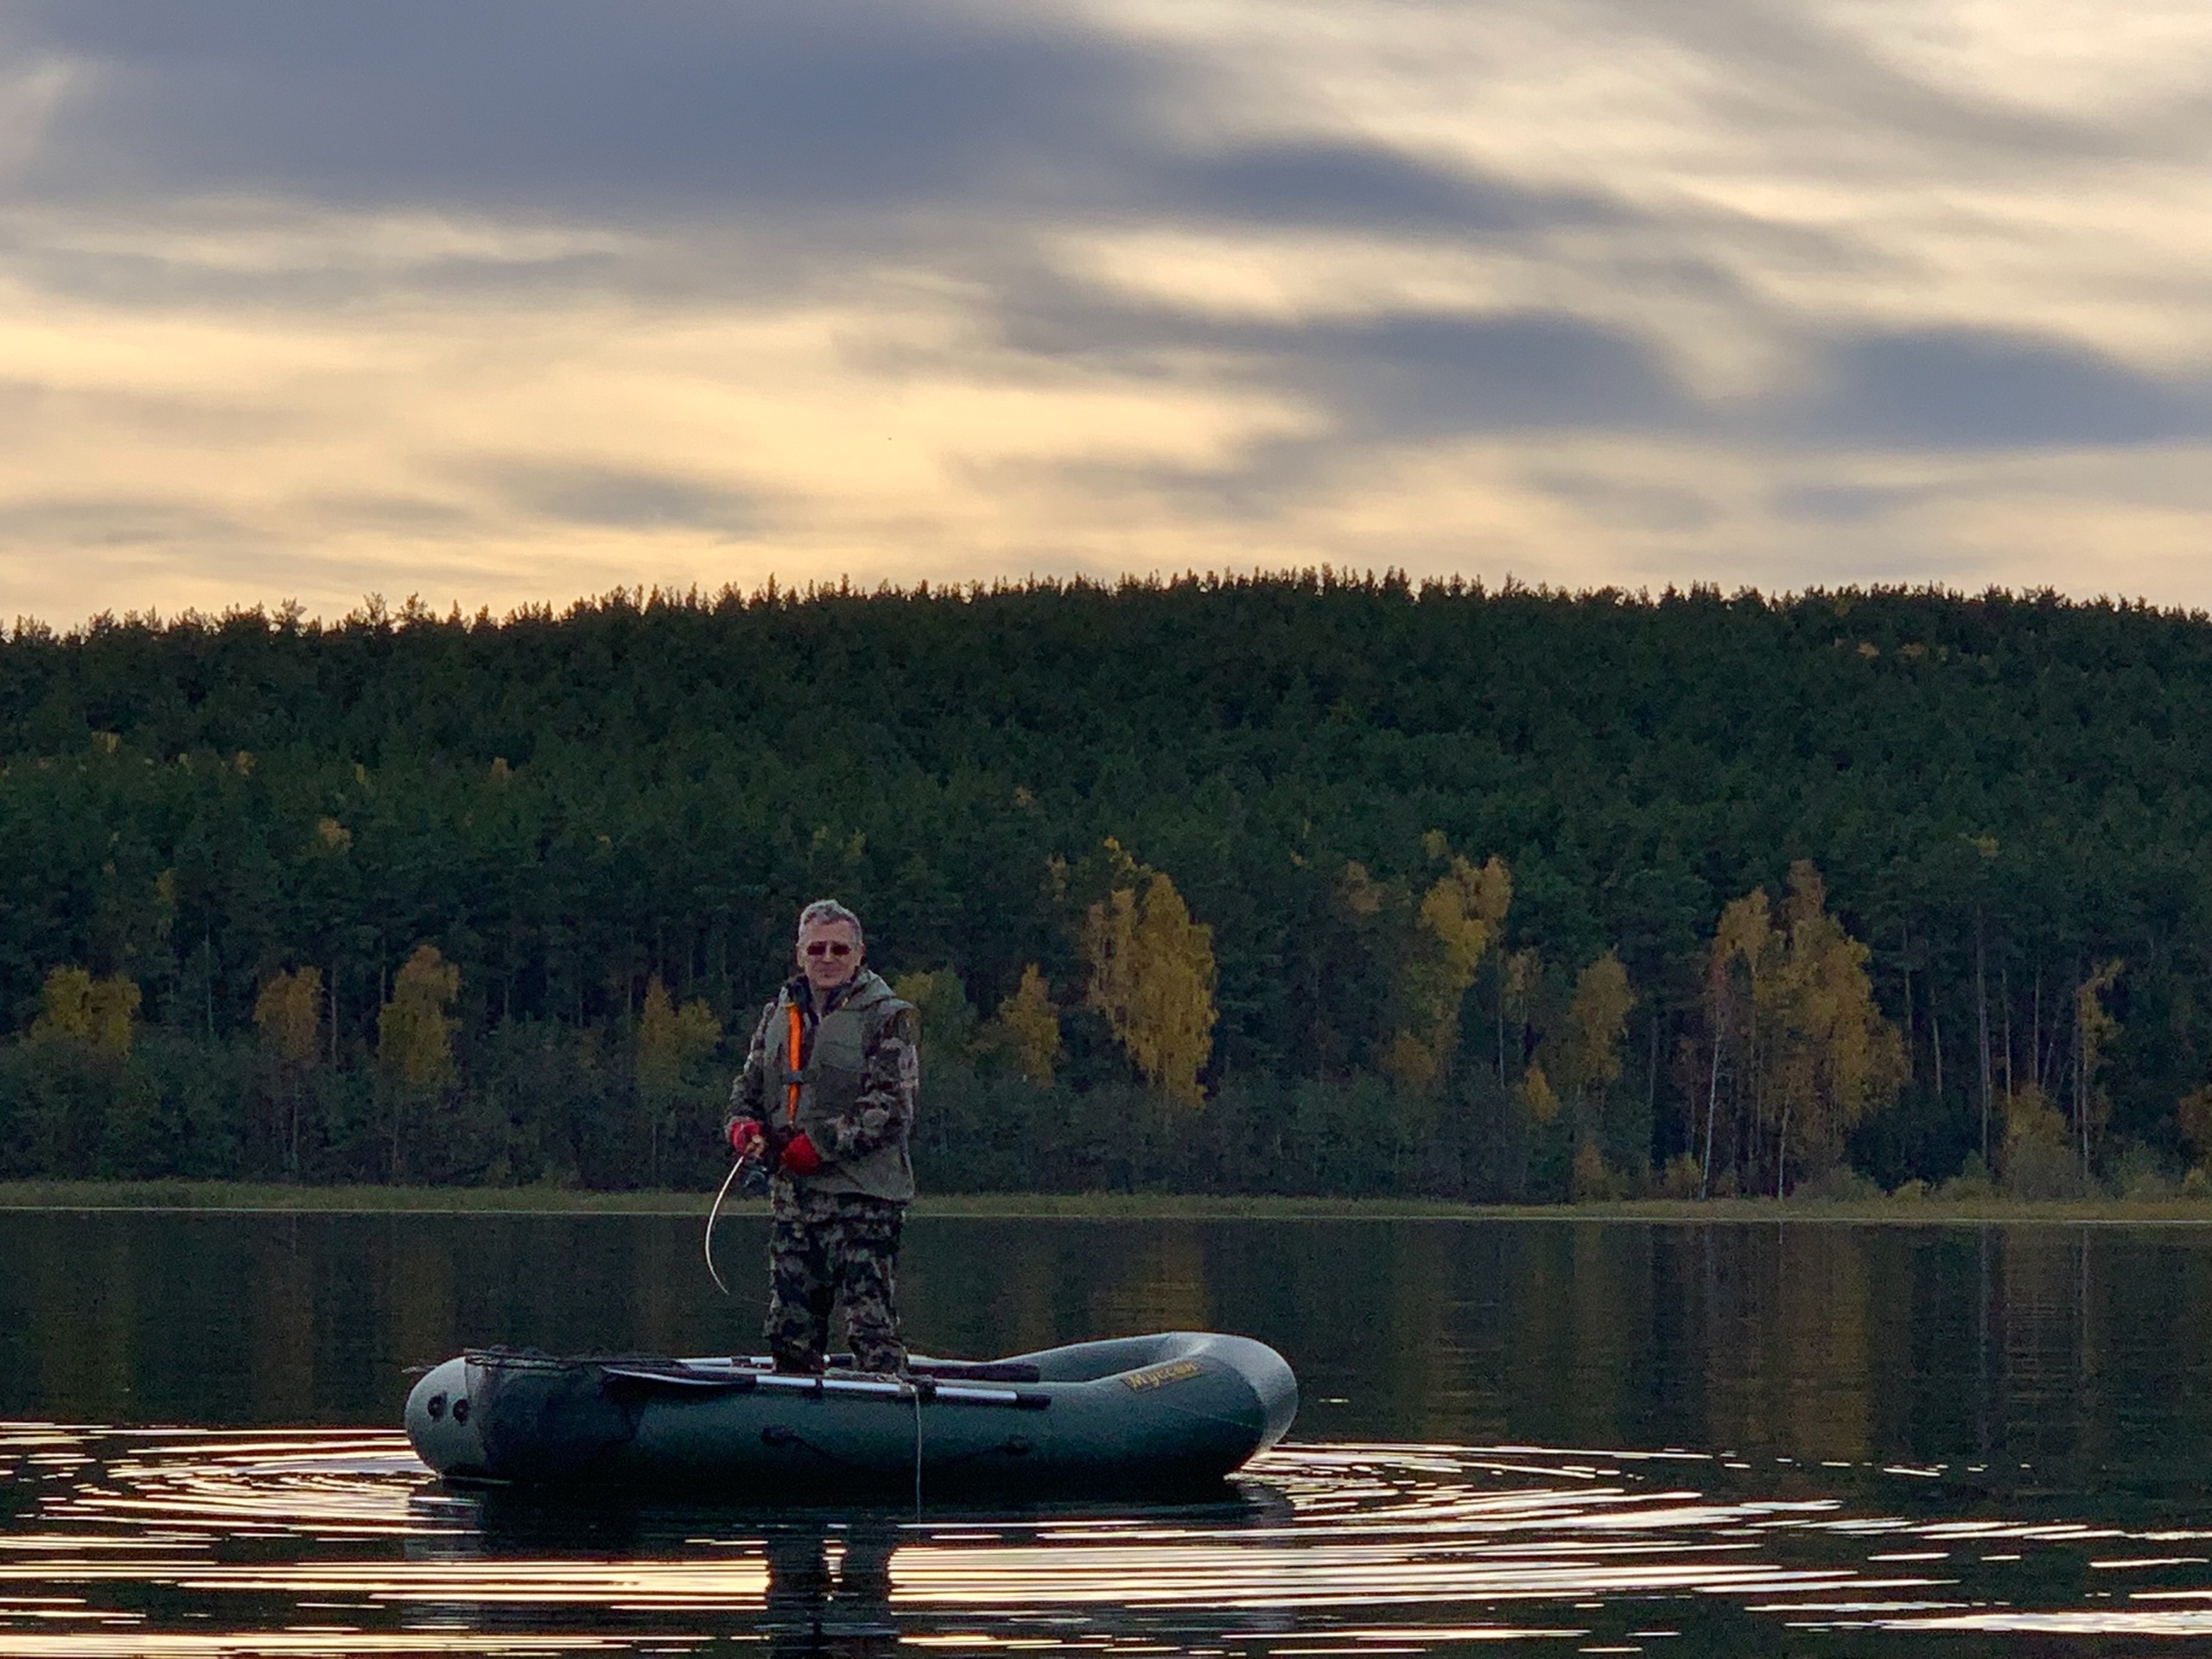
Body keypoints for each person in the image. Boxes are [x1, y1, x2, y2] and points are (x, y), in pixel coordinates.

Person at [724, 899, 918, 1376]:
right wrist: (743, 1129)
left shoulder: (887, 1017)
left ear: (858, 954)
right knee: (788, 1330)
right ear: (799, 954)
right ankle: (797, 1422)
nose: (826, 958)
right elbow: (745, 1093)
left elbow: (891, 1109)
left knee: (868, 1326)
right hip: (795, 1201)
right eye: (816, 948)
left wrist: (821, 1145)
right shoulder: (777, 1014)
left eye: (838, 948)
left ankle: (893, 1421)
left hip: (863, 1199)